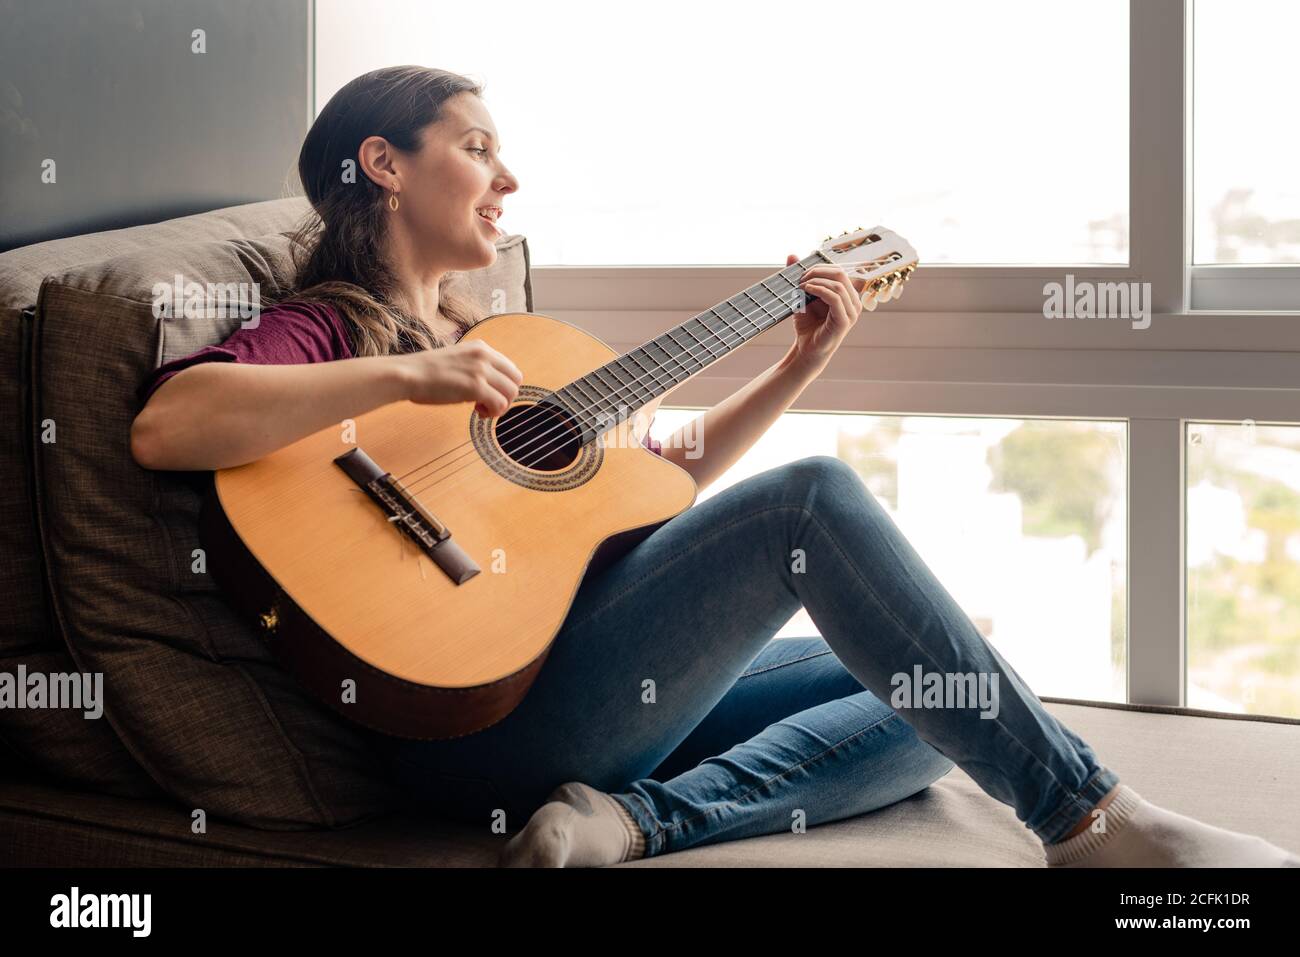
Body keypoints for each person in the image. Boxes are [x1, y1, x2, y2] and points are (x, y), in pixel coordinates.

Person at [131, 65, 1299, 870]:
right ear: (381, 163)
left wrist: (799, 362)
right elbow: (170, 425)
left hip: (584, 684)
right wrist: (403, 378)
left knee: (942, 677)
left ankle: (634, 823)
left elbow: (657, 485)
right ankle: (1088, 820)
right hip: (465, 722)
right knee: (818, 501)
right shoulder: (333, 328)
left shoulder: (502, 356)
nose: (508, 179)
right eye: (478, 147)